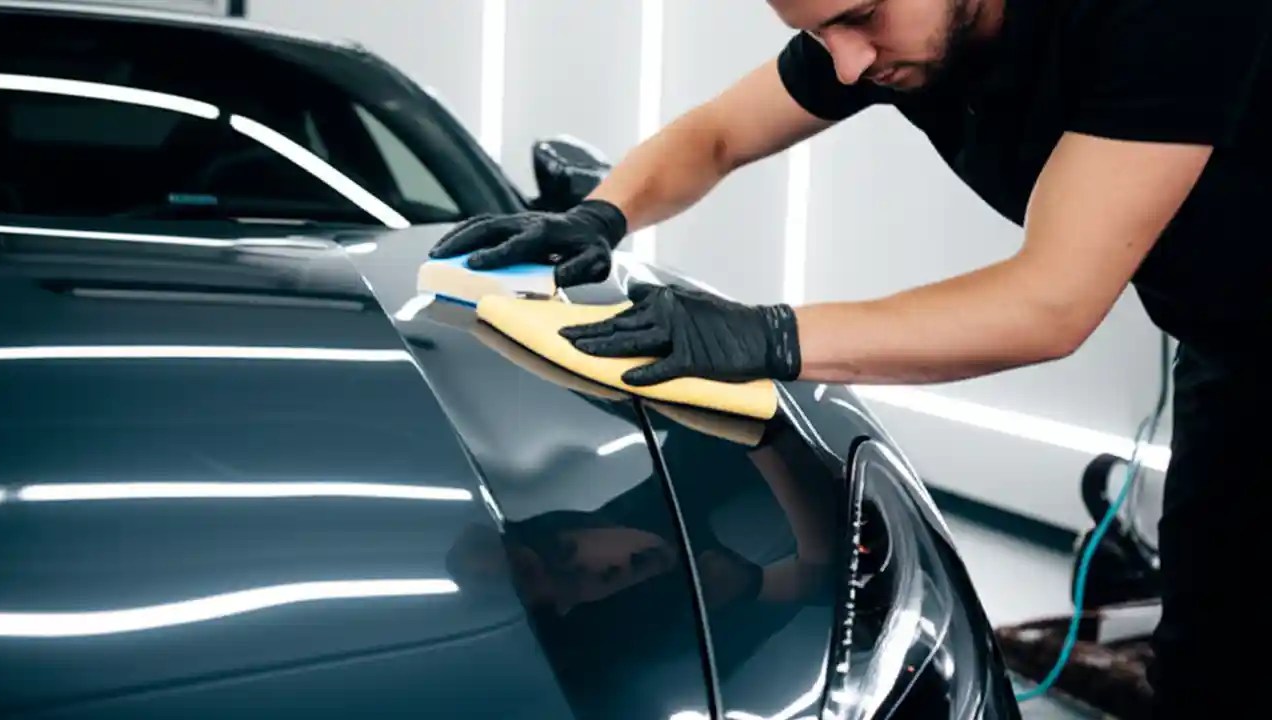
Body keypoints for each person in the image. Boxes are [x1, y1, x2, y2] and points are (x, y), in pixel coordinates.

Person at [430, 0, 1270, 715]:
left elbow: (1049, 304)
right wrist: (601, 216)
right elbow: (717, 135)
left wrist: (769, 337)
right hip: (1229, 350)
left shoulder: (1166, 12)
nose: (847, 59)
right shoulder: (873, 42)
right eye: (819, 30)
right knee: (1205, 658)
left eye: (861, 17)